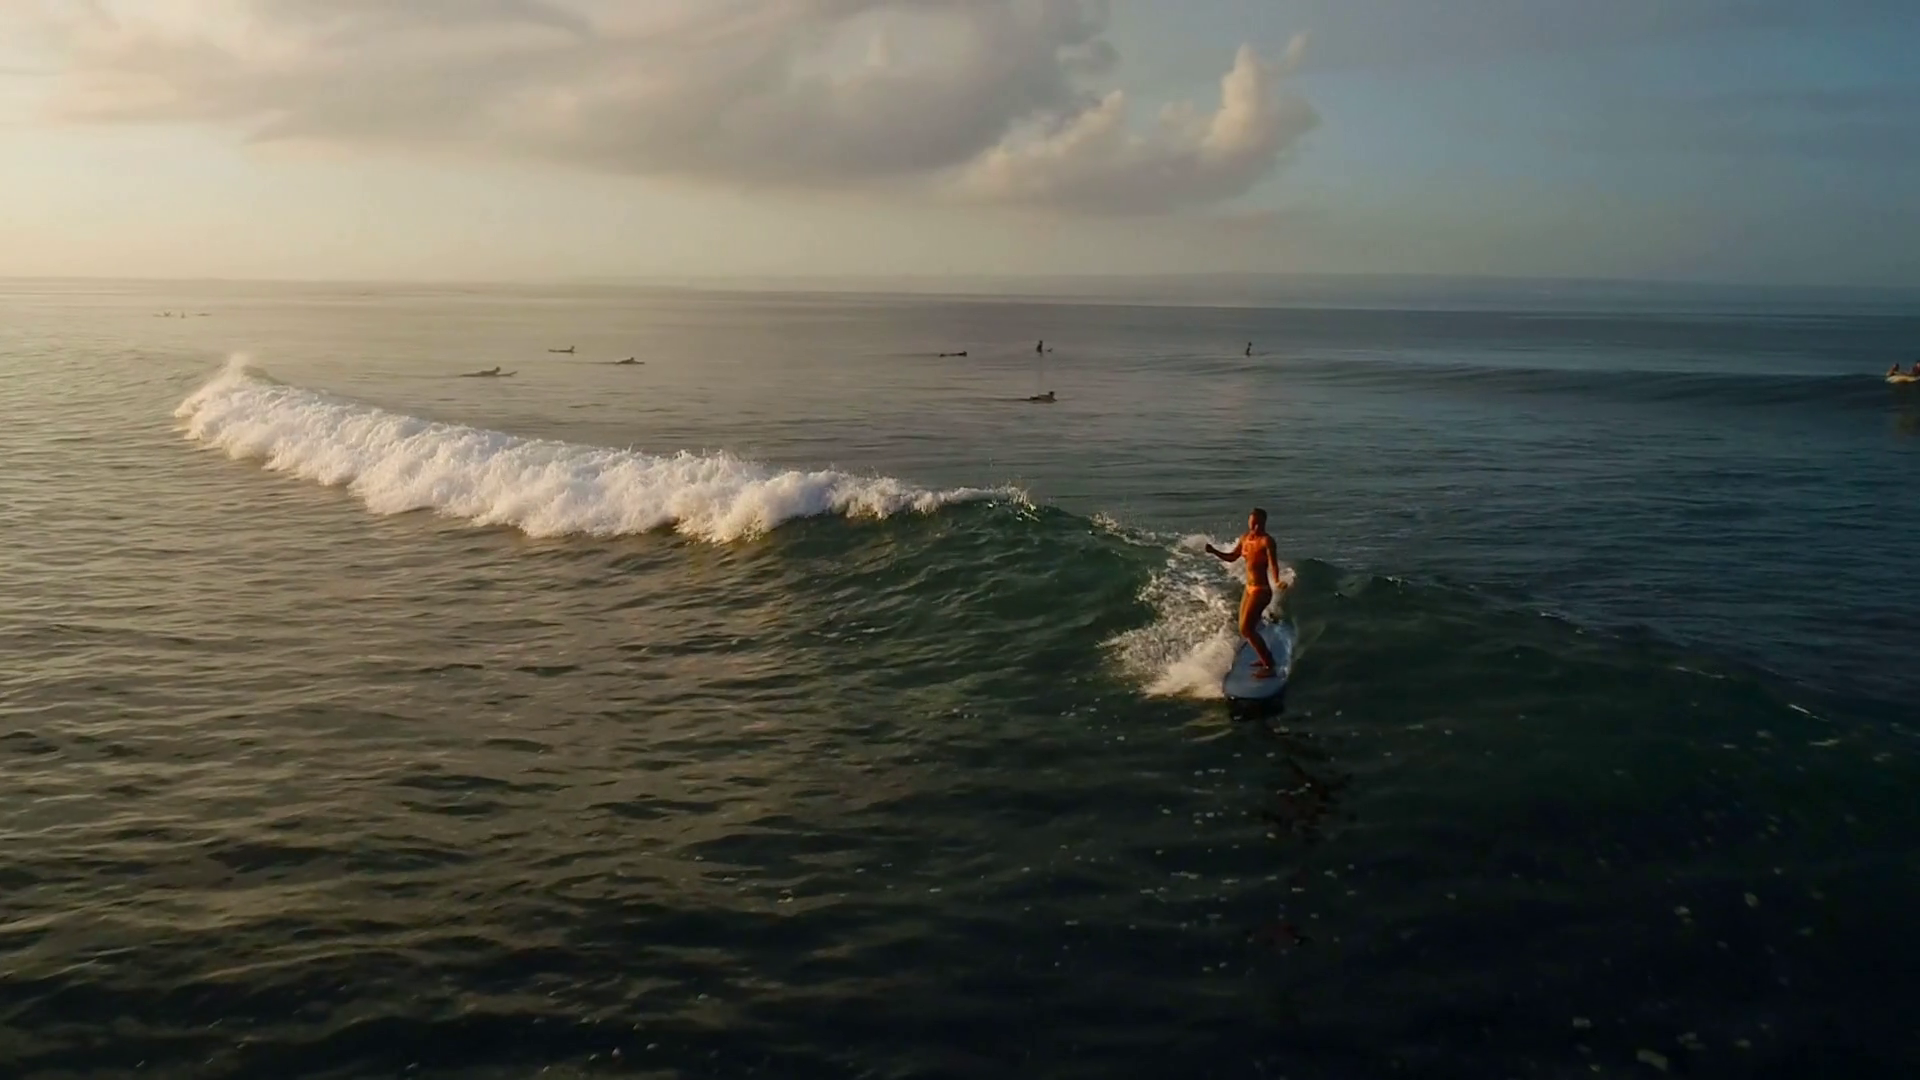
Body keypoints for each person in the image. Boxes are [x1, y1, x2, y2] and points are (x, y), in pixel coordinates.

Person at [1206, 508, 1287, 678]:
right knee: (1245, 629)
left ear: (1264, 523)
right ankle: (1265, 656)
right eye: (1252, 524)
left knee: (1246, 628)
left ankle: (1269, 666)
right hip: (1248, 590)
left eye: (1258, 524)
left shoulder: (1267, 541)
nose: (1255, 527)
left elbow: (1273, 564)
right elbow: (1232, 557)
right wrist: (1214, 551)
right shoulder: (1245, 538)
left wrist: (1278, 580)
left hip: (1261, 590)